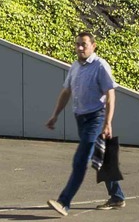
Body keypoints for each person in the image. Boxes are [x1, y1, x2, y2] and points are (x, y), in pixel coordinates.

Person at [44, 31, 125, 213]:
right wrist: (55, 114)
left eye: (84, 44)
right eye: (78, 44)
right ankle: (117, 197)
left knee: (81, 160)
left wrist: (107, 122)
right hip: (81, 119)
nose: (80, 48)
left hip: (96, 118)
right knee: (102, 158)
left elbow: (111, 95)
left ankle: (64, 202)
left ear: (93, 46)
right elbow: (66, 92)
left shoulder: (100, 66)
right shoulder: (75, 66)